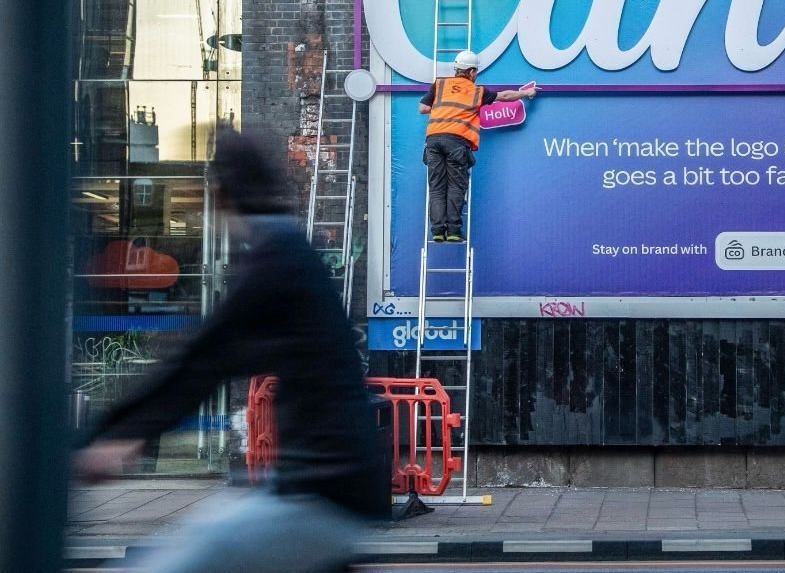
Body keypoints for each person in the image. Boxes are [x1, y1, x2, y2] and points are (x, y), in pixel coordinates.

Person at [73, 127, 391, 573]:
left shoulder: (276, 256)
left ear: (220, 191)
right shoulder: (288, 248)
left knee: (172, 562)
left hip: (322, 493)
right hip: (329, 486)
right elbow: (215, 356)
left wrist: (117, 436)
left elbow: (205, 356)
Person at [419, 49, 537, 241]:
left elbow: (423, 108)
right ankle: (454, 232)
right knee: (456, 186)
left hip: (433, 140)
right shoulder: (477, 92)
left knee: (437, 187)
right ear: (472, 71)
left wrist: (444, 109)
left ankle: (438, 231)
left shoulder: (440, 84)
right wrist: (527, 92)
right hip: (456, 141)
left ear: (456, 69)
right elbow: (504, 96)